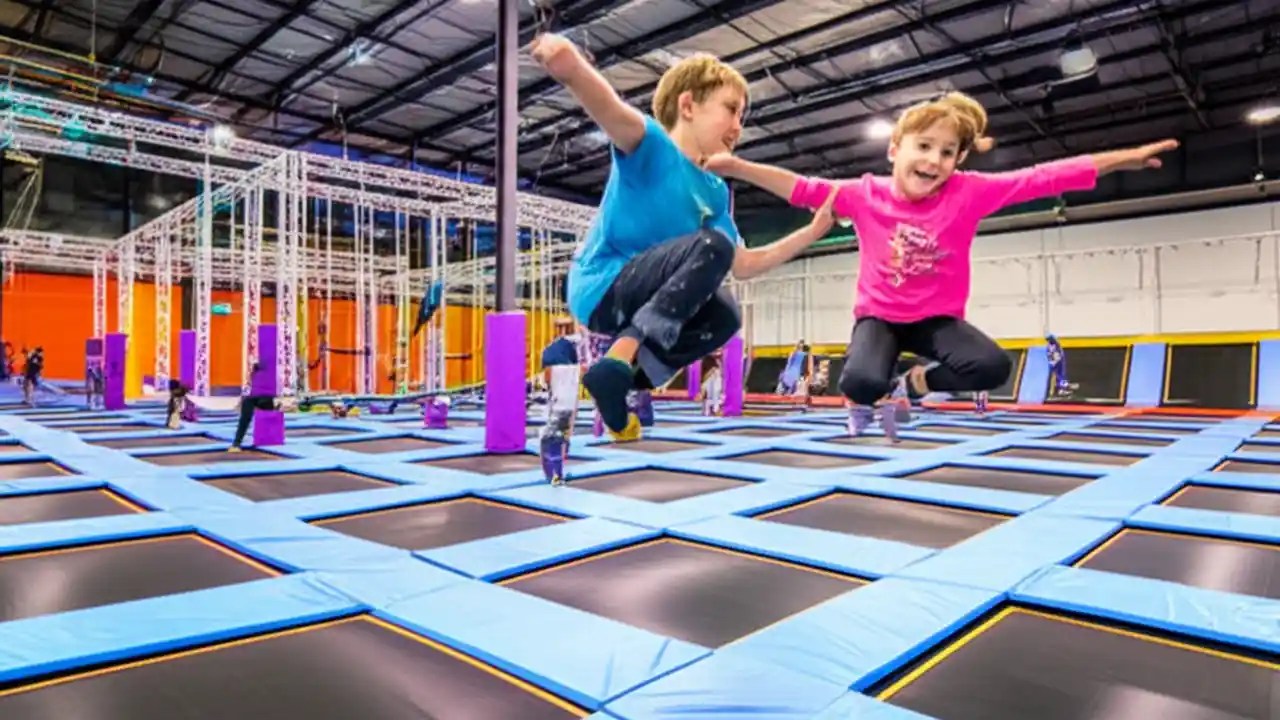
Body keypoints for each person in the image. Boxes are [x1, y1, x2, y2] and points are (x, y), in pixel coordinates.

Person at [706, 91, 1177, 432]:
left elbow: (1042, 178)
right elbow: (801, 187)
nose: (933, 161)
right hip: (880, 318)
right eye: (924, 147)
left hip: (937, 321)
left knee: (993, 367)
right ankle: (871, 394)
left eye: (947, 153)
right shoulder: (863, 195)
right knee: (861, 381)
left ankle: (912, 384)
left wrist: (1123, 159)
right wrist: (736, 167)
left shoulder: (969, 192)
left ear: (959, 160)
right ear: (896, 150)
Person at [529, 33, 836, 439]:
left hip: (644, 303)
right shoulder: (652, 144)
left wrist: (813, 232)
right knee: (713, 246)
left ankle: (622, 382)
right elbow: (610, 110)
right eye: (731, 110)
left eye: (742, 116)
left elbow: (743, 266)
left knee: (726, 312)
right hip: (603, 287)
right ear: (688, 105)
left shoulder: (714, 191)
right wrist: (572, 70)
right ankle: (618, 362)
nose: (737, 126)